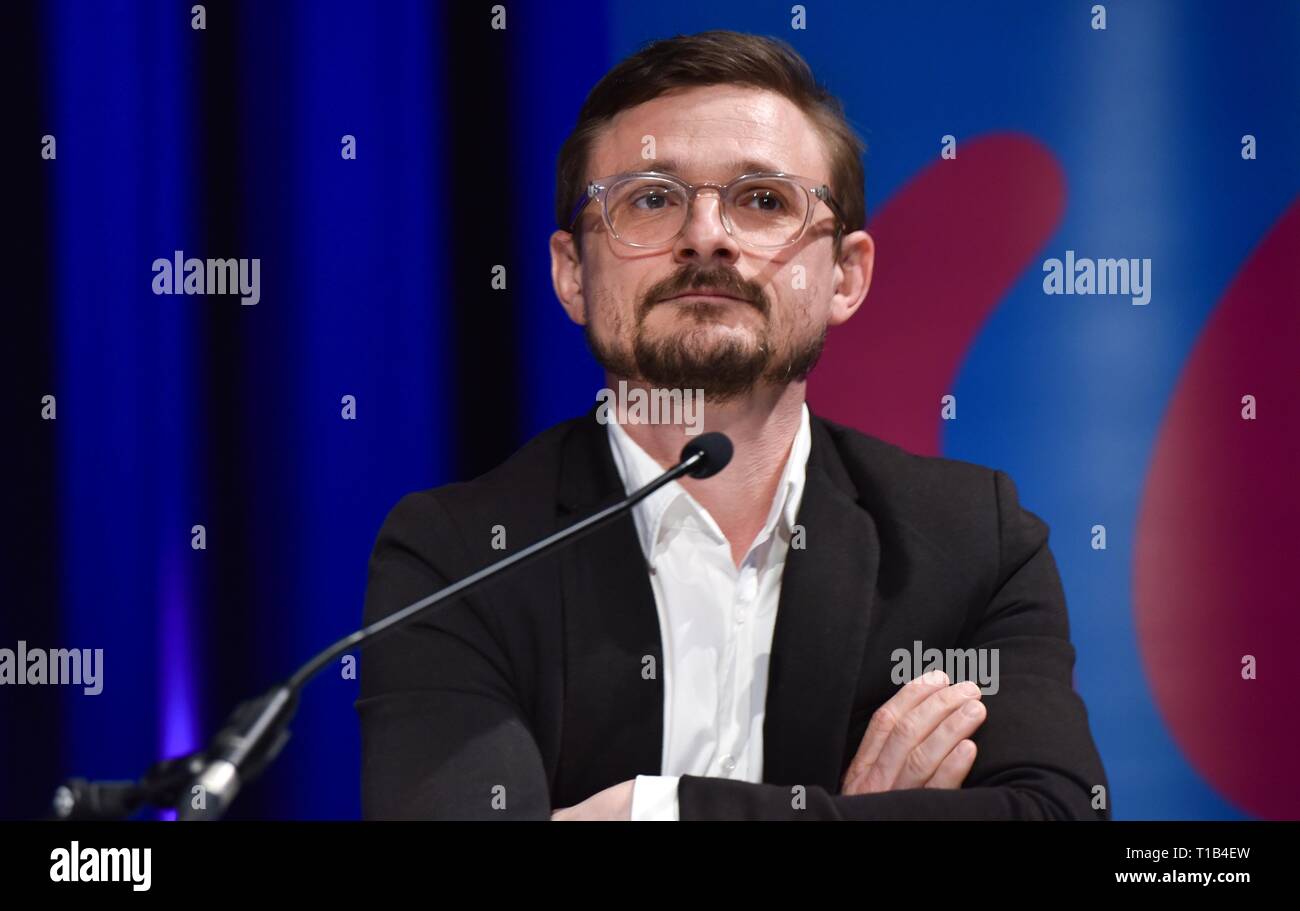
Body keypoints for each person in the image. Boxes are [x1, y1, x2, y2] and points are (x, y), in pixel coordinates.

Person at [356, 29, 1109, 820]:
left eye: (763, 201)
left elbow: (1059, 815)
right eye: (650, 198)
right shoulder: (461, 555)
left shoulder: (971, 543)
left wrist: (651, 811)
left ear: (845, 276)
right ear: (572, 274)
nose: (707, 235)